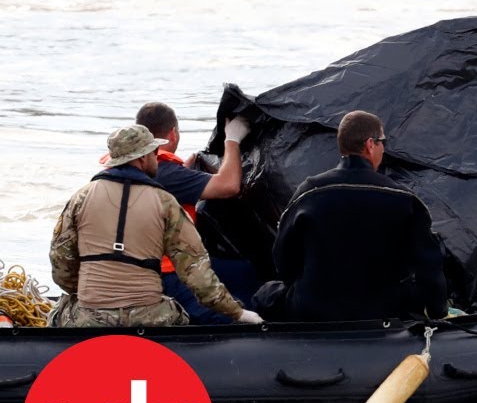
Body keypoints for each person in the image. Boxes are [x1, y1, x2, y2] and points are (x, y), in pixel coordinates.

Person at [48, 125, 261, 328]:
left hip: (89, 316)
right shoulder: (165, 202)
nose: (157, 159)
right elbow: (196, 271)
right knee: (183, 314)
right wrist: (237, 313)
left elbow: (60, 261)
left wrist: (87, 292)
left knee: (58, 310)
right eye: (154, 153)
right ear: (142, 158)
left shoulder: (80, 198)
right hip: (149, 317)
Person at [260, 110, 449, 322]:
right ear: (370, 144)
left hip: (313, 309)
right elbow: (429, 267)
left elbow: (283, 258)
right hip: (385, 311)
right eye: (382, 142)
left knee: (264, 295)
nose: (383, 148)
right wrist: (438, 313)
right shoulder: (403, 199)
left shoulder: (308, 192)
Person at [133, 102, 252, 324]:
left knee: (244, 272)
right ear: (173, 134)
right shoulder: (168, 173)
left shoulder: (130, 169)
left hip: (140, 268)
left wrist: (185, 174)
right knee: (231, 314)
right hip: (169, 275)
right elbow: (229, 186)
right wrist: (232, 140)